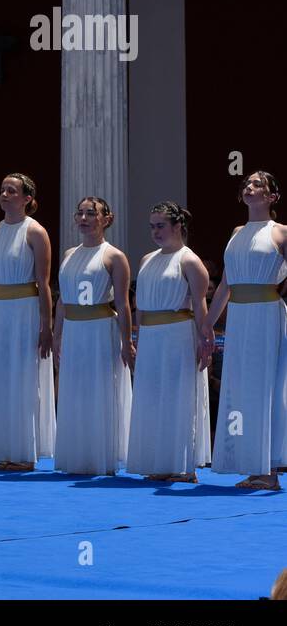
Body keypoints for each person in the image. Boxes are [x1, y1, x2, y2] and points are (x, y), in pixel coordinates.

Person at [200, 171, 287, 490]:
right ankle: (253, 464)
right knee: (242, 388)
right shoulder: (237, 231)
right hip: (238, 317)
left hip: (267, 315)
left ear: (272, 196)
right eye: (246, 184)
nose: (249, 188)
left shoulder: (281, 233)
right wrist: (206, 325)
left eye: (257, 185)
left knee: (265, 388)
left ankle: (269, 470)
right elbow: (225, 284)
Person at [0, 173, 55, 472]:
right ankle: (1, 447)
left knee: (21, 378)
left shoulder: (36, 232)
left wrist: (46, 327)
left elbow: (43, 284)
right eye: (2, 190)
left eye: (12, 191)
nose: (5, 195)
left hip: (24, 311)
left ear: (27, 199)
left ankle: (22, 452)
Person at [126, 202, 209, 483]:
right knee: (151, 397)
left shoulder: (189, 261)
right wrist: (135, 336)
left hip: (177, 335)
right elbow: (140, 307)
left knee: (177, 397)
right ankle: (158, 461)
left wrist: (204, 340)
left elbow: (200, 306)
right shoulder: (147, 259)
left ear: (177, 226)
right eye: (152, 226)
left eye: (161, 225)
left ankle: (183, 465)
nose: (155, 232)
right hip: (150, 337)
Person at [52, 196, 134, 476]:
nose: (84, 218)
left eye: (91, 213)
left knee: (98, 390)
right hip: (73, 331)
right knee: (75, 390)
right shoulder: (68, 255)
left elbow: (123, 304)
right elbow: (63, 299)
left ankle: (100, 456)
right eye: (80, 213)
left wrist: (127, 343)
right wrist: (56, 335)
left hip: (100, 330)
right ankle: (76, 454)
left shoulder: (114, 256)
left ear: (106, 219)